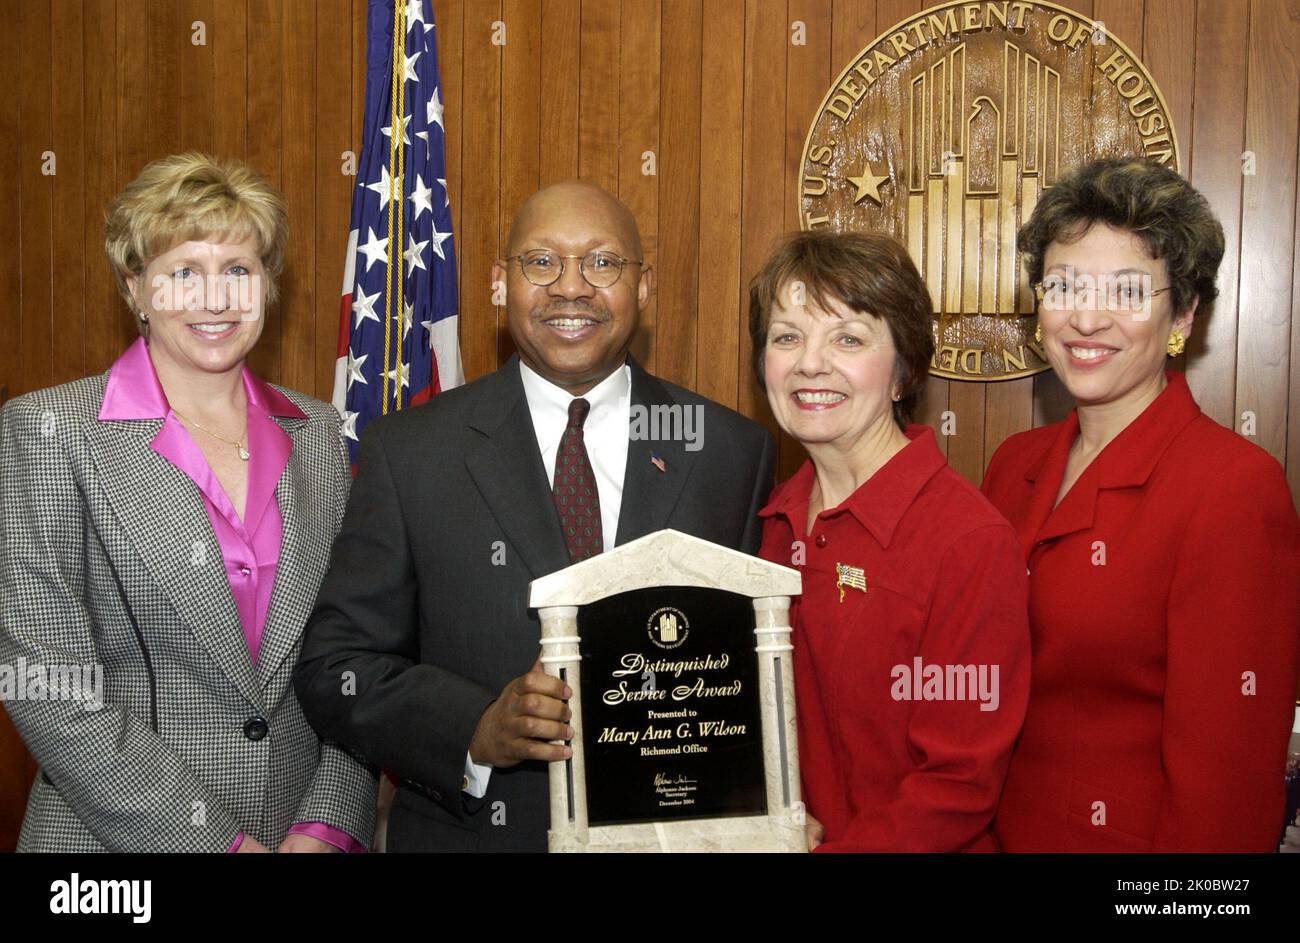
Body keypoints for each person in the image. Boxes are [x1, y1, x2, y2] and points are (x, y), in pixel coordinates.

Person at [294, 180, 775, 852]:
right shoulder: (410, 452)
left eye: (603, 263)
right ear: (500, 284)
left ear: (643, 286)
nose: (570, 288)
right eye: (540, 262)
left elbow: (758, 679)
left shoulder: (729, 451)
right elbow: (334, 666)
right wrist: (475, 728)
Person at [0, 152, 376, 852]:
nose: (217, 299)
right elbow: (47, 681)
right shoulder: (50, 432)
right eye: (183, 273)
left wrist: (326, 823)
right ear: (135, 288)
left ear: (268, 286)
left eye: (239, 270)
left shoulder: (319, 432)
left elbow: (358, 647)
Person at [982, 157, 1300, 851]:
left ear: (1183, 312)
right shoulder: (1013, 467)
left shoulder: (1232, 489)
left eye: (1126, 291)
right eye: (1063, 285)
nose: (1086, 317)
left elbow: (1229, 792)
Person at [751, 230, 1030, 852]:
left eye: (847, 338)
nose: (809, 363)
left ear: (904, 372)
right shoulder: (769, 527)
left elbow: (959, 784)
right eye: (786, 336)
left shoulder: (967, 542)